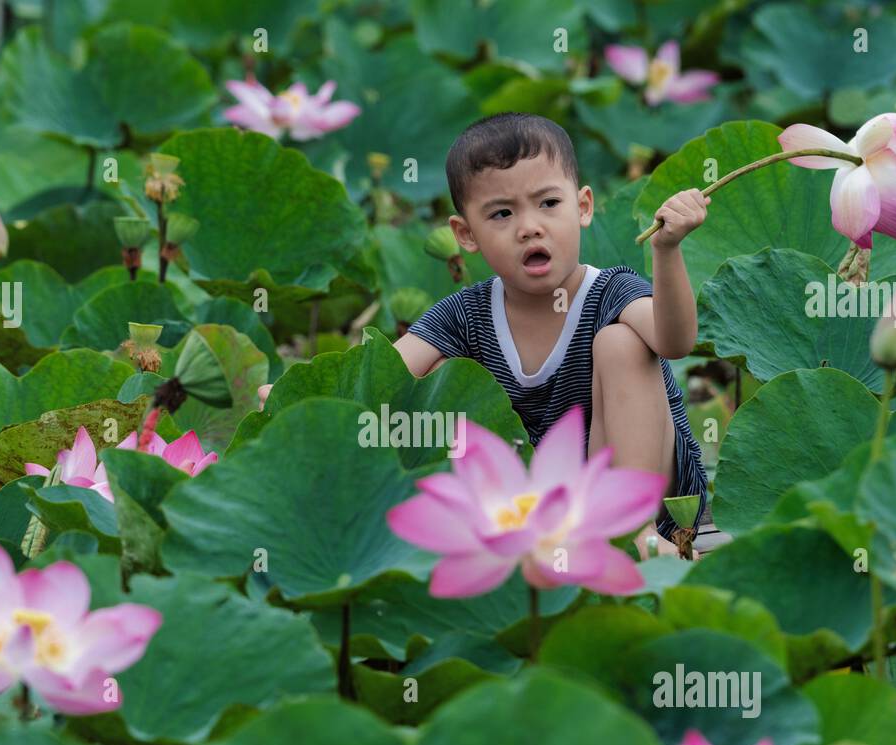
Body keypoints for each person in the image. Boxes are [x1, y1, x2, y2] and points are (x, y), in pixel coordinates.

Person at [260, 111, 710, 556]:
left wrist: (666, 251)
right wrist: (295, 399)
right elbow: (379, 376)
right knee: (433, 373)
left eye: (549, 204)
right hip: (523, 512)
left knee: (621, 342)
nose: (529, 226)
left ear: (584, 207)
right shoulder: (465, 314)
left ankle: (634, 533)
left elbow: (675, 342)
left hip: (656, 497)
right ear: (465, 234)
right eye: (501, 213)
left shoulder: (612, 291)